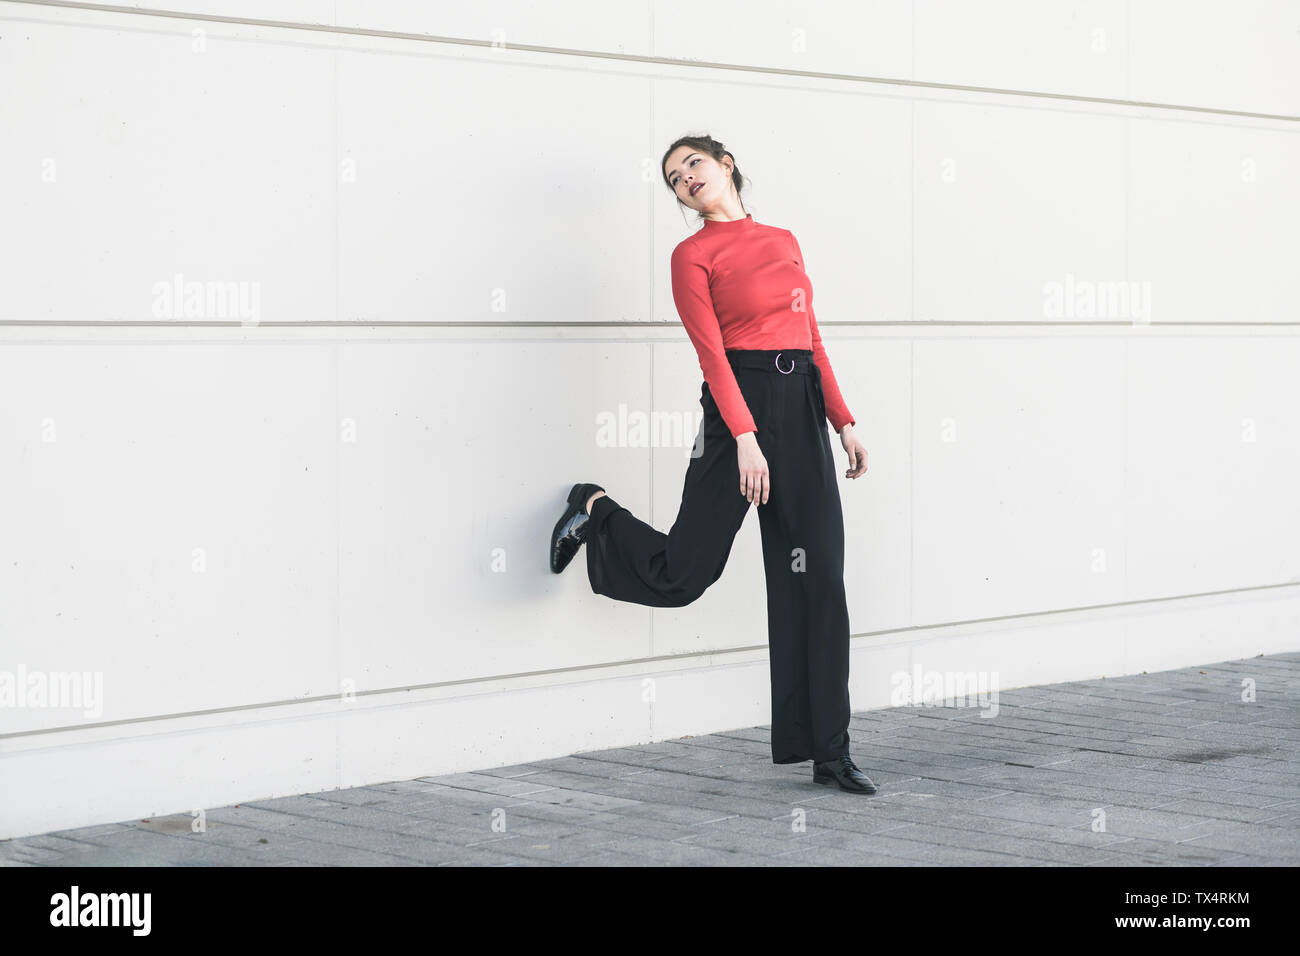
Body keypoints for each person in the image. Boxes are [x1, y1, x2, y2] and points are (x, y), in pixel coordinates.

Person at [549, 134, 875, 794]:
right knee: (683, 574)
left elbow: (811, 336)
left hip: (802, 405)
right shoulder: (692, 255)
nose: (684, 179)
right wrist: (747, 438)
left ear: (725, 164)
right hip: (736, 420)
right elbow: (712, 357)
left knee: (818, 585)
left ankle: (830, 754)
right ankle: (595, 509)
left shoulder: (783, 239)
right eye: (673, 178)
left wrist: (843, 421)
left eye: (692, 164)